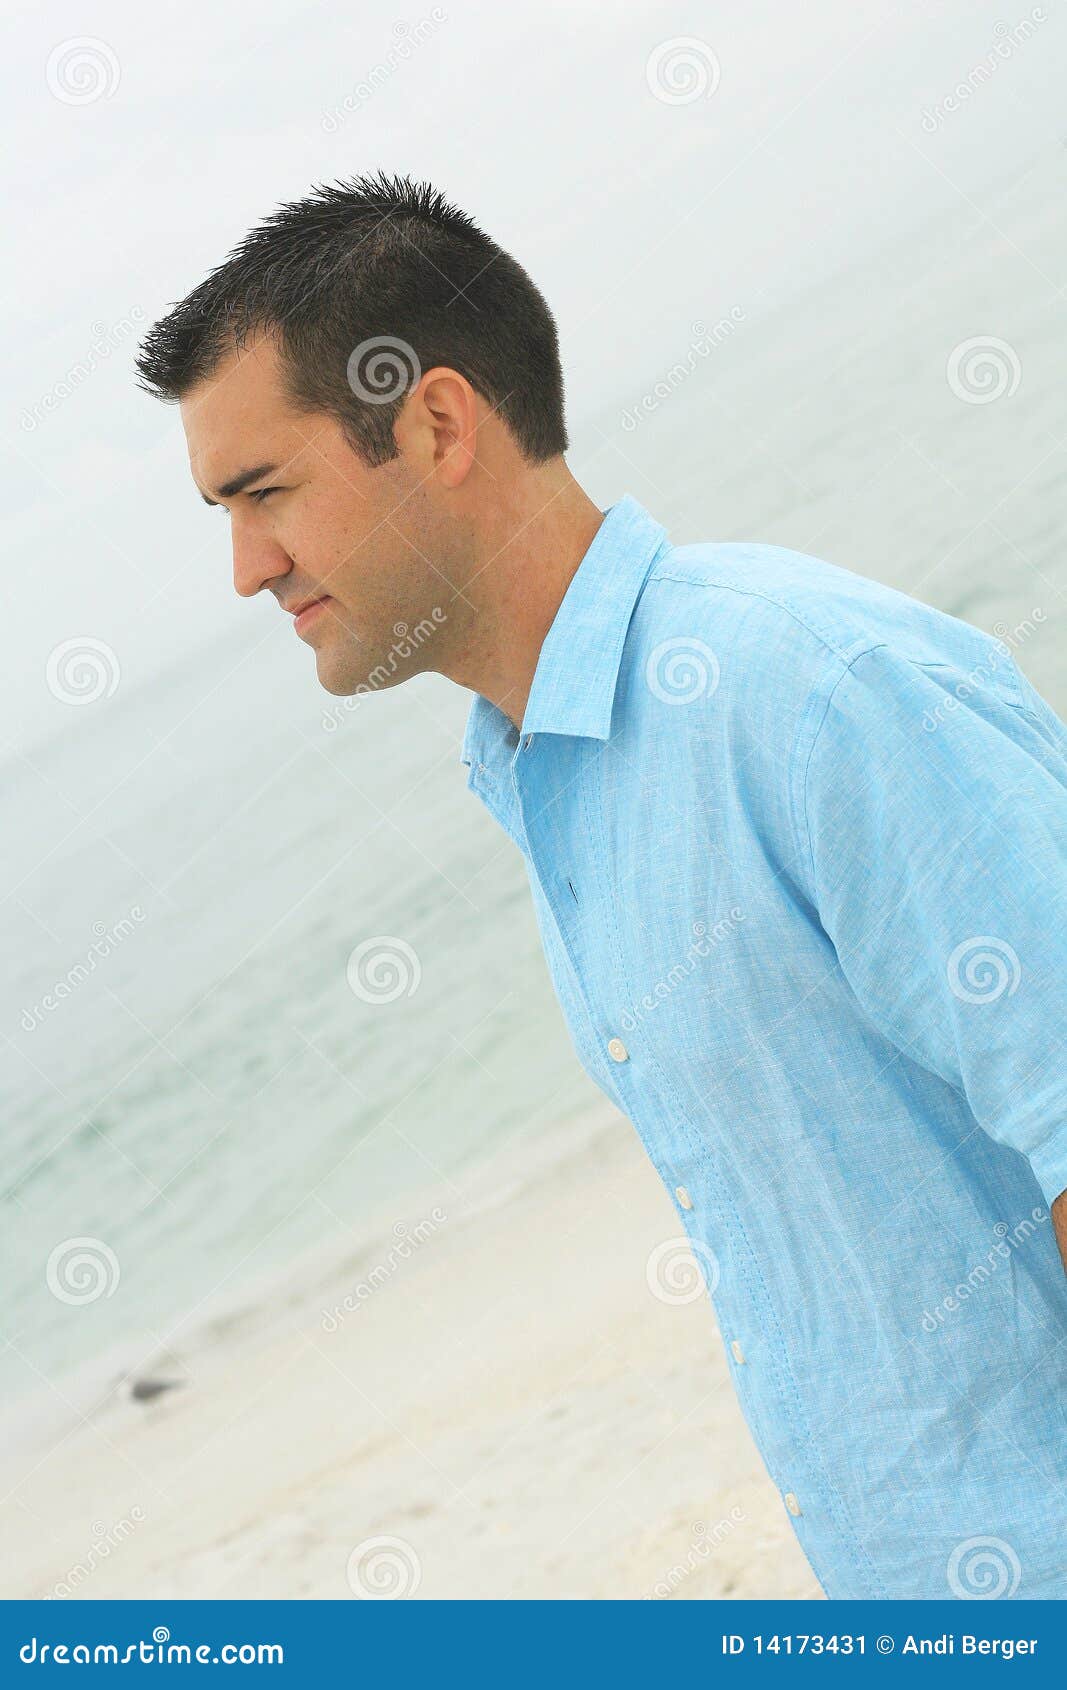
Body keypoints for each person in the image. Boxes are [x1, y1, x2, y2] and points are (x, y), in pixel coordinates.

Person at [136, 172, 1067, 1601]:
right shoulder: (549, 771)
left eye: (266, 493)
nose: (249, 568)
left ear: (437, 423)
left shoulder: (806, 692)